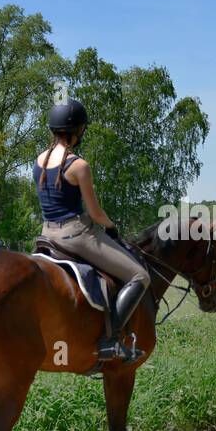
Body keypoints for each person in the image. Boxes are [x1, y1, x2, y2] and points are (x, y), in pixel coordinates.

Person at [32, 99, 150, 363]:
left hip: (46, 235)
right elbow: (95, 213)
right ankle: (110, 341)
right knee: (140, 275)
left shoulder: (39, 161)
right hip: (75, 236)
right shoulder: (78, 166)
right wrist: (111, 227)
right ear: (77, 130)